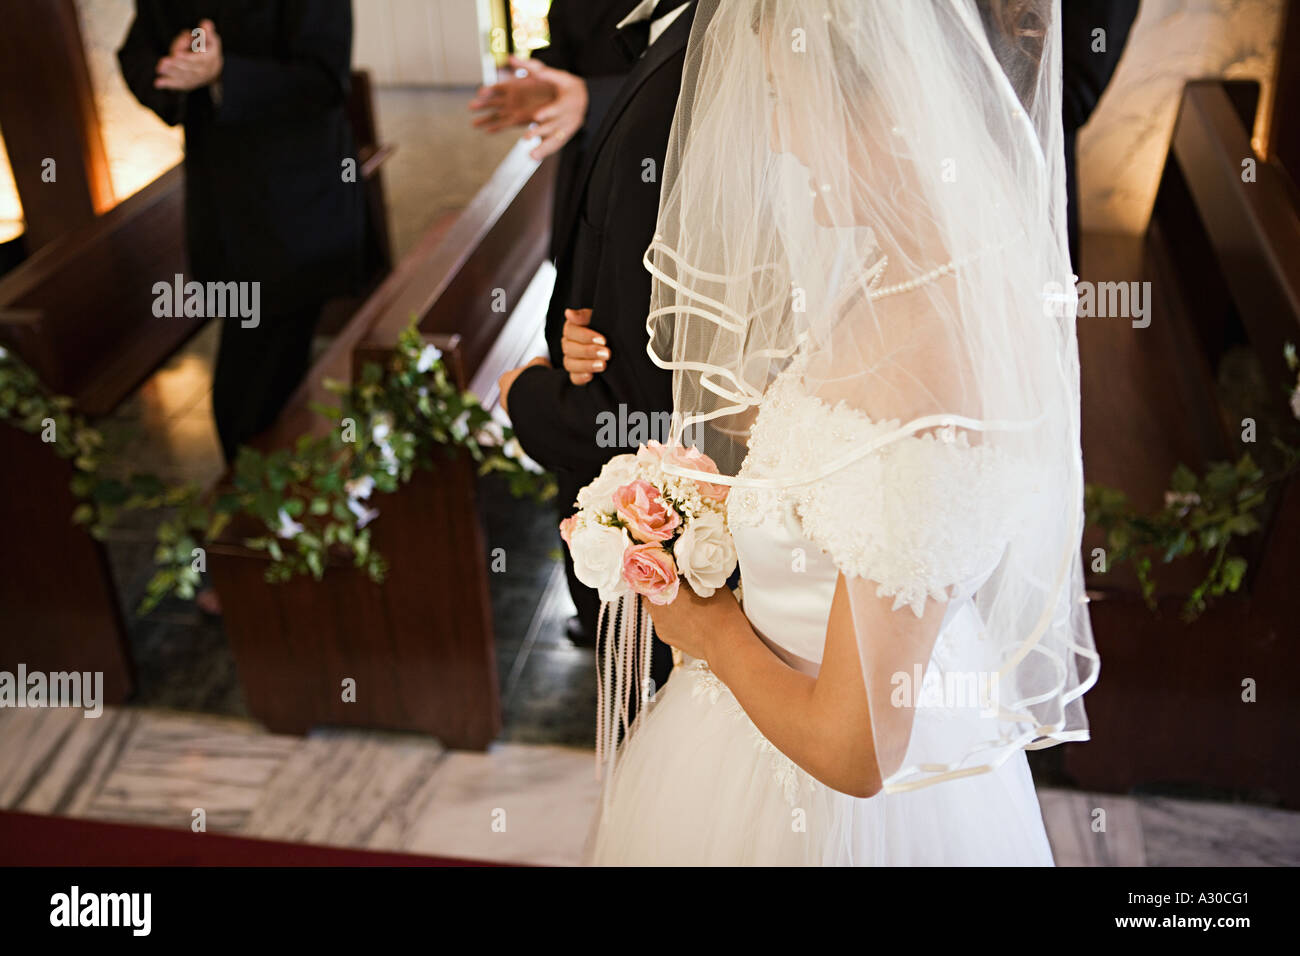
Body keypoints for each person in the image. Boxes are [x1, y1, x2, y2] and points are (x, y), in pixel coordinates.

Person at [567, 0, 1099, 865]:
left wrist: (707, 633)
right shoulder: (898, 276)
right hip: (761, 732)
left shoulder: (933, 360)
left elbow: (859, 753)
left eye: (782, 95)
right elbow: (845, 464)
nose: (775, 137)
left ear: (883, 107)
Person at [497, 1, 697, 694]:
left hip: (655, 489)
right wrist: (553, 85)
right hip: (598, 321)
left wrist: (529, 396)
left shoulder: (710, 49)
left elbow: (654, 390)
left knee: (649, 708)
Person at [118, 1, 363, 465]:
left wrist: (223, 74)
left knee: (255, 386)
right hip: (220, 204)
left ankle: (266, 504)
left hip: (297, 205)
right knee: (252, 376)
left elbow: (327, 80)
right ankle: (266, 501)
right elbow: (135, 56)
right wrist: (172, 68)